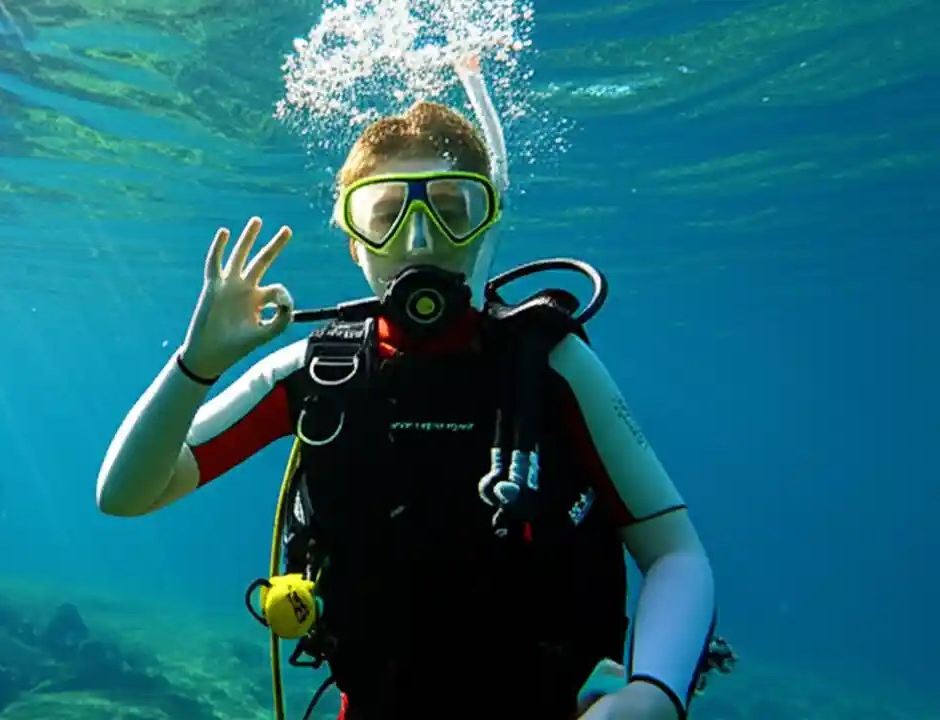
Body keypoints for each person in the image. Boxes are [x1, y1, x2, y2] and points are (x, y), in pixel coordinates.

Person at [97, 55, 728, 720]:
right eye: (385, 214)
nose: (421, 238)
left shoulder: (550, 364)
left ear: (488, 224)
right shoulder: (316, 371)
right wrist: (196, 363)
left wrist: (652, 698)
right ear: (352, 243)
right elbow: (125, 494)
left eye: (455, 208)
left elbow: (674, 553)